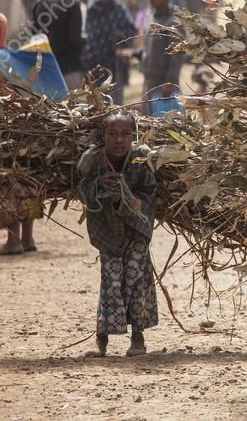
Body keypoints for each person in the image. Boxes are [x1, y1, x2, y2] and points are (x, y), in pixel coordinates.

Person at [77, 111, 159, 357]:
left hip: (136, 230)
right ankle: (101, 340)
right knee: (110, 283)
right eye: (112, 134)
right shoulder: (92, 160)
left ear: (133, 136)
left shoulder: (141, 159)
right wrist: (98, 185)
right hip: (107, 231)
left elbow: (150, 192)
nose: (119, 140)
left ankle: (138, 338)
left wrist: (128, 199)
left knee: (137, 281)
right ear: (103, 135)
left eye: (125, 134)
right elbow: (80, 188)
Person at [0, 10, 44, 256]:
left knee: (6, 183)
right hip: (23, 129)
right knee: (26, 181)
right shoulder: (8, 56)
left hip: (4, 132)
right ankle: (26, 239)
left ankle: (13, 241)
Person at [83, 0, 138, 106]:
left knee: (115, 100)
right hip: (94, 61)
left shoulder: (120, 10)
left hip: (115, 62)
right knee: (95, 99)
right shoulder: (92, 10)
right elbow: (86, 32)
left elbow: (132, 31)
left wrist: (119, 35)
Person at [31, 0, 84, 90]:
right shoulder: (72, 2)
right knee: (73, 102)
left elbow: (34, 35)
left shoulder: (41, 2)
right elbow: (75, 38)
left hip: (44, 68)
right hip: (69, 68)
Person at [141, 0, 185, 115]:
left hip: (165, 87)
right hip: (149, 83)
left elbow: (177, 55)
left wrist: (170, 82)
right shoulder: (152, 19)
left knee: (167, 123)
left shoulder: (173, 23)